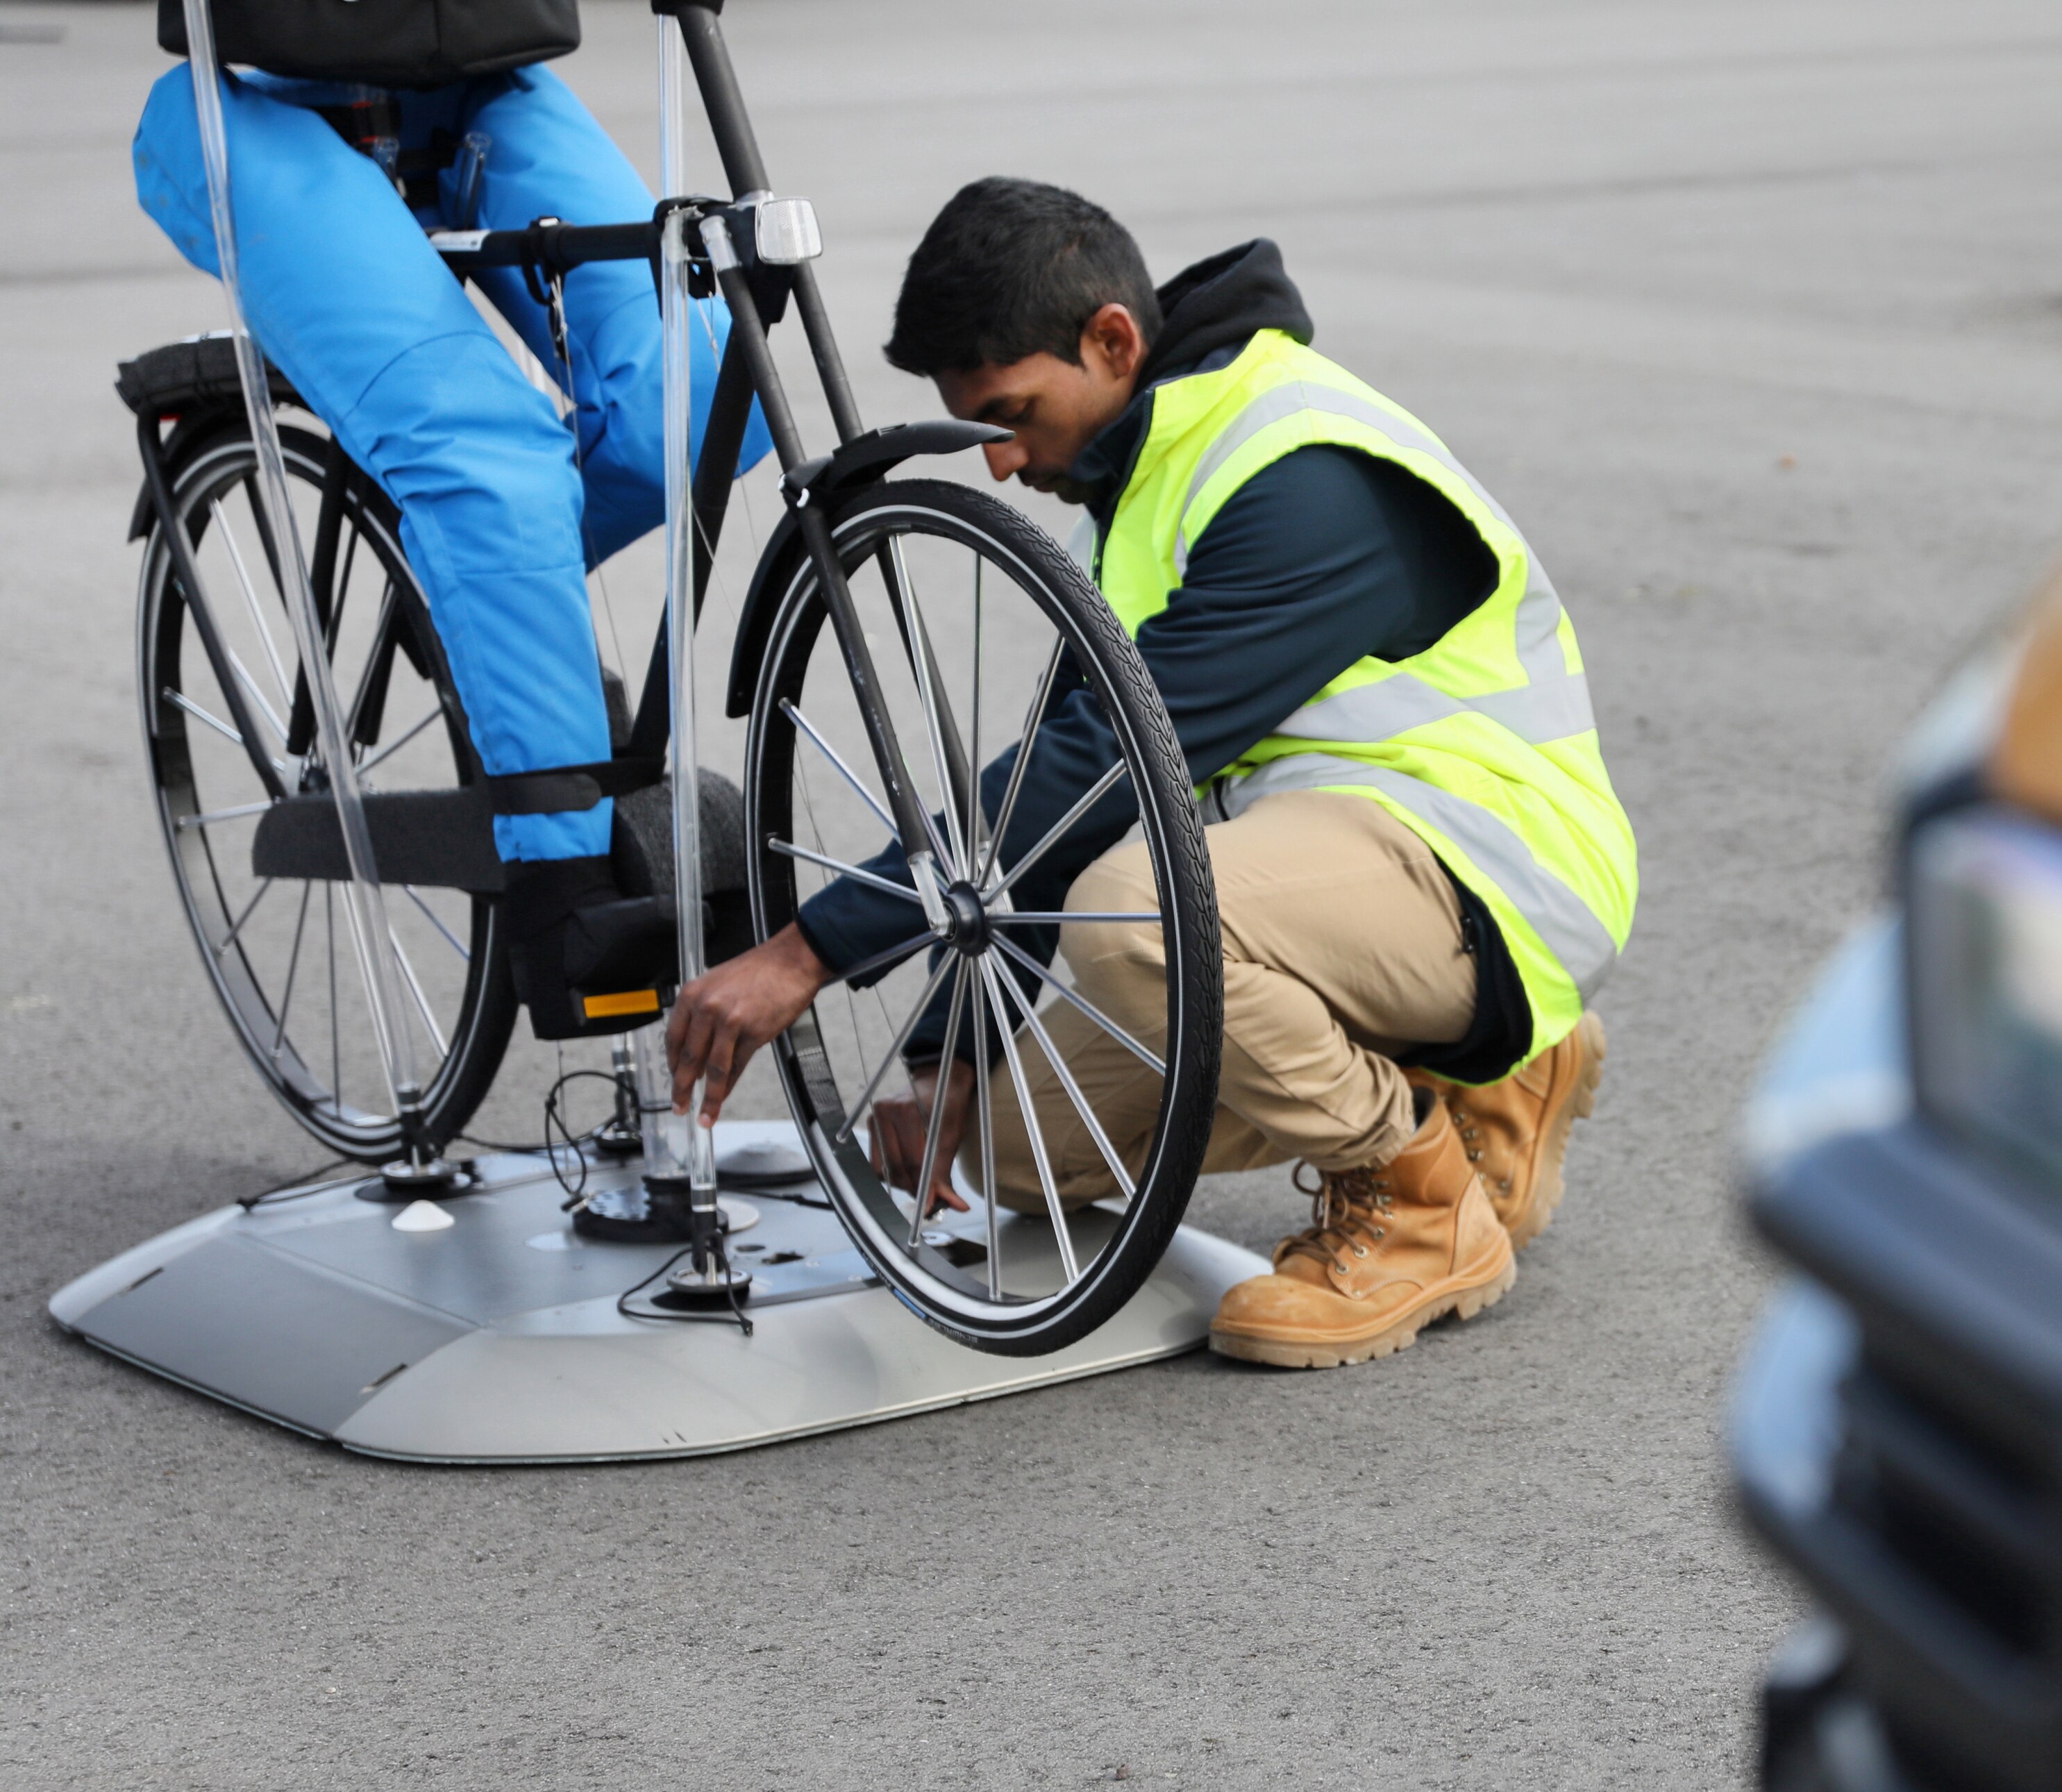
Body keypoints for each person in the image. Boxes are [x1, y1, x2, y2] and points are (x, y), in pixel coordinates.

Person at [667, 181, 1634, 1369]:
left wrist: (808, 949)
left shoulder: (1299, 474)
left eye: (1013, 414)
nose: (1006, 462)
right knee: (1012, 1152)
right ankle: (1482, 1070)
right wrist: (948, 1051)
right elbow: (1063, 819)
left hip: (1489, 864)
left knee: (1135, 911)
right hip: (1319, 880)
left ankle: (1419, 1198)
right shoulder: (1136, 486)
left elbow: (1097, 770)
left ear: (1111, 340)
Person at [133, 28, 766, 1039]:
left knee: (696, 403)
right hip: (252, 98)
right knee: (488, 463)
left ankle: (482, 603)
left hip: (480, 68)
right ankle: (562, 894)